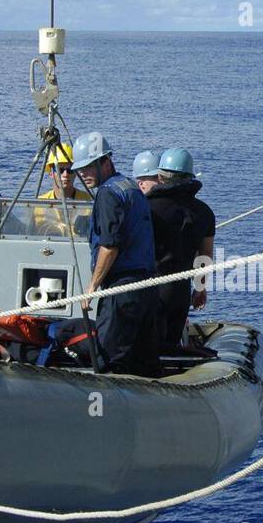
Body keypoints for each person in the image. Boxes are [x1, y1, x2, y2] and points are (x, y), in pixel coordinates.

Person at [70, 132, 161, 376]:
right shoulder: (130, 187)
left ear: (106, 162)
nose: (83, 174)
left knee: (110, 357)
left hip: (122, 290)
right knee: (143, 359)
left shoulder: (108, 194)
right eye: (80, 169)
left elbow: (110, 246)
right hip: (147, 286)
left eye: (89, 167)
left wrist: (92, 286)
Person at [139, 148, 216, 349]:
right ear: (190, 177)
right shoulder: (204, 212)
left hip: (148, 288)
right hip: (180, 290)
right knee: (171, 345)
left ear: (160, 177)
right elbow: (205, 255)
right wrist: (200, 288)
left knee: (146, 349)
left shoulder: (146, 208)